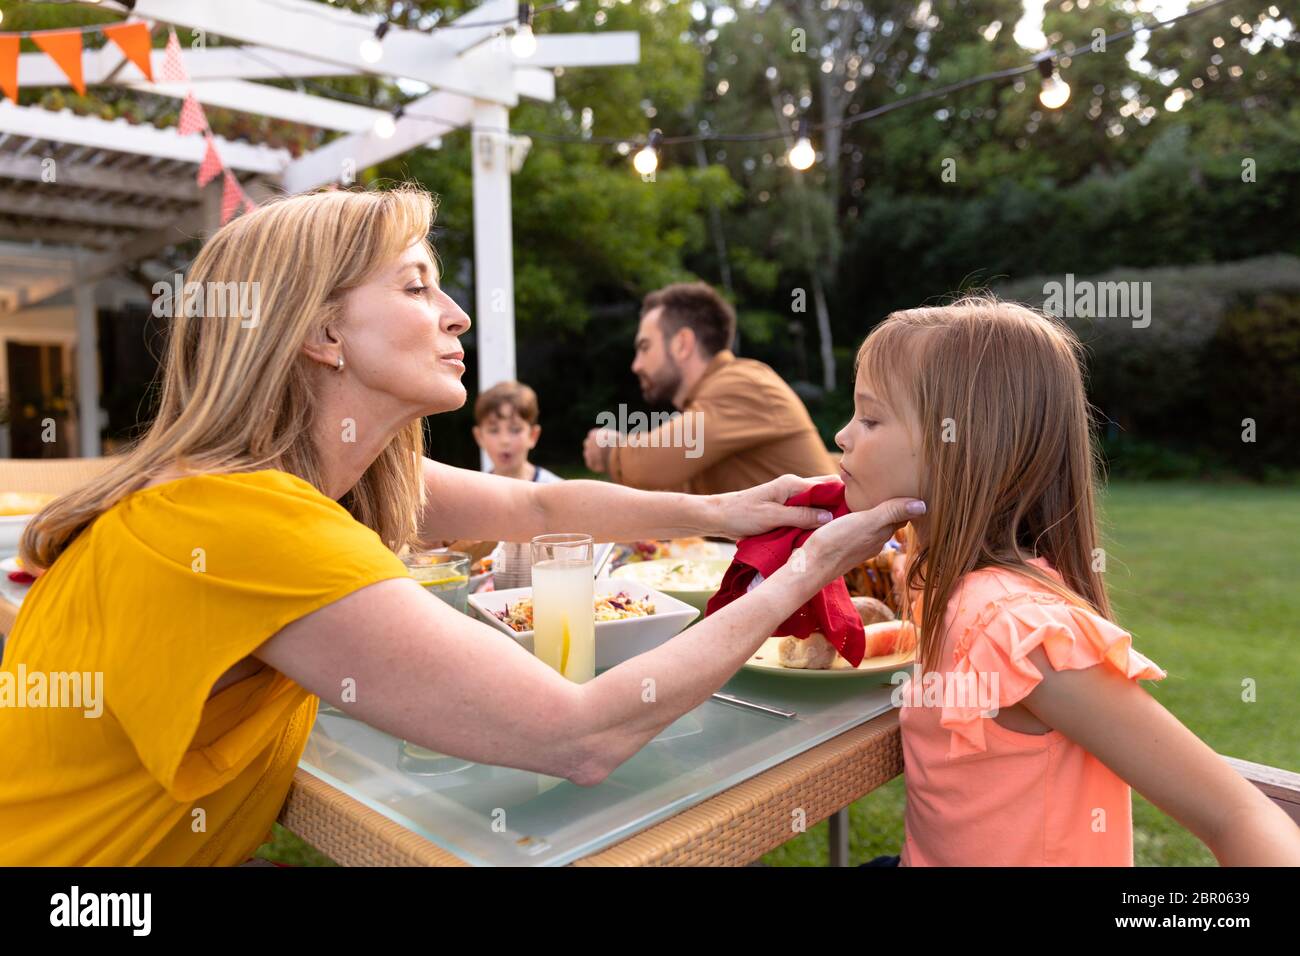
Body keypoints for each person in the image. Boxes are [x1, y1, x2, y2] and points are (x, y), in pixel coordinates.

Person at [0, 186, 920, 865]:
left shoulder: (308, 479)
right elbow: (582, 735)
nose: (457, 314)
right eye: (415, 288)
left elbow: (535, 505)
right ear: (322, 336)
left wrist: (724, 512)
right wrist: (798, 575)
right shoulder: (244, 519)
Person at [835, 295, 1300, 866]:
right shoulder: (940, 578)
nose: (842, 435)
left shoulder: (1012, 629)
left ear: (962, 444)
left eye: (870, 417)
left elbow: (1238, 815)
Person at [583, 281, 835, 493]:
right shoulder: (718, 397)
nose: (636, 365)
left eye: (645, 347)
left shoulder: (741, 385)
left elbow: (649, 466)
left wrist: (610, 450)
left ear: (682, 344)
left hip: (821, 549)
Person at [472, 380, 562, 484]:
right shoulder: (473, 493)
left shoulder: (555, 489)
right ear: (479, 437)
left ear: (533, 435)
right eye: (494, 430)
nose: (504, 440)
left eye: (515, 430)